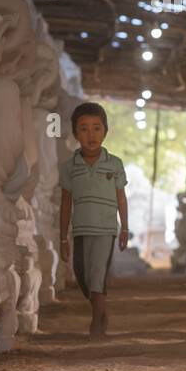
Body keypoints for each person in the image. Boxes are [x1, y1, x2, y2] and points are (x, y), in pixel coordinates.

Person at [58, 102, 128, 336]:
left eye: (97, 128)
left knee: (97, 272)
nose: (91, 135)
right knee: (81, 272)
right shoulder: (69, 167)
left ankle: (97, 319)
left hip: (106, 229)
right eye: (84, 129)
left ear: (105, 131)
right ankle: (100, 308)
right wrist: (62, 238)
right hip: (80, 229)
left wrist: (125, 229)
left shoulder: (115, 164)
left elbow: (121, 198)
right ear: (76, 133)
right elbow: (66, 202)